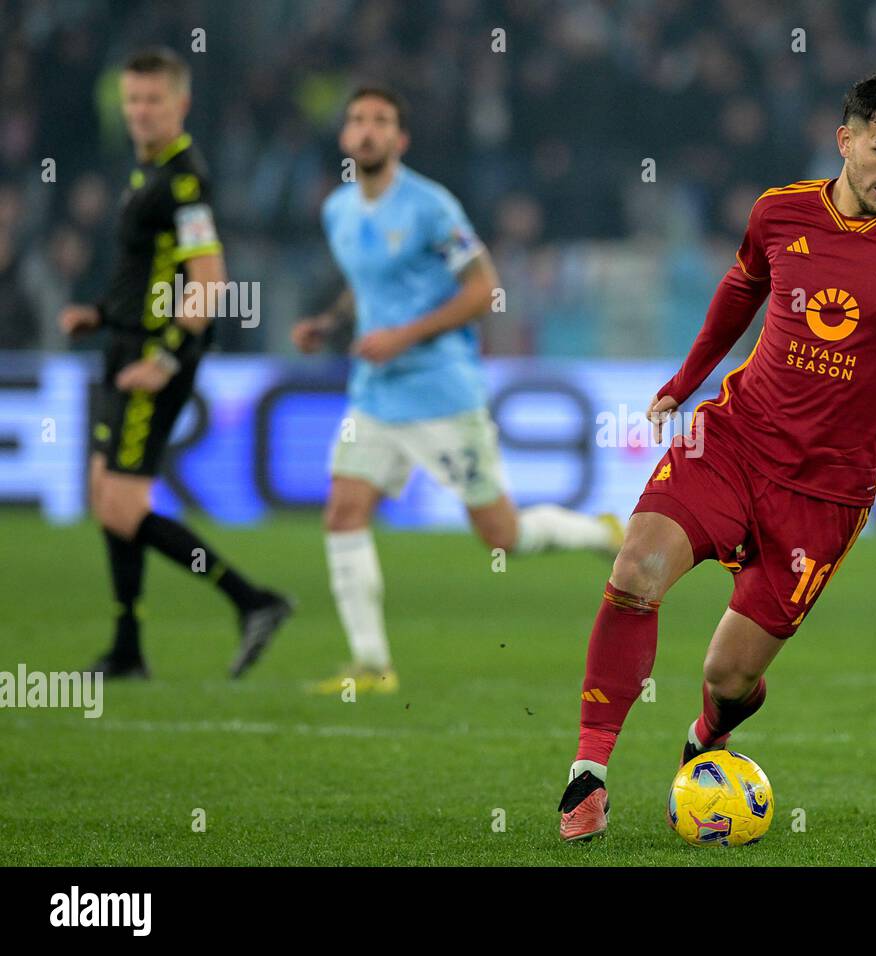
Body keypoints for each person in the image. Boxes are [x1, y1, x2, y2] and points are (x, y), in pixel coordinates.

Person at [557, 73, 876, 841]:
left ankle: (708, 735)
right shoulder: (779, 213)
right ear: (847, 140)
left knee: (729, 676)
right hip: (734, 439)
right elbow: (741, 288)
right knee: (635, 571)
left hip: (827, 493)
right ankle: (588, 773)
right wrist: (683, 385)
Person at [294, 86, 622, 695]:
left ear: (401, 139)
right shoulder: (338, 210)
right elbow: (369, 289)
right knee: (343, 509)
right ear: (345, 138)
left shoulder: (429, 206)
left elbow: (481, 289)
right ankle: (372, 665)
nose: (367, 131)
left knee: (501, 535)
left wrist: (403, 336)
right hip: (374, 393)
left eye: (381, 121)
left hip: (441, 390)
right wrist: (334, 324)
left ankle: (598, 532)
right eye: (358, 120)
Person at [60, 48, 292, 680]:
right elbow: (149, 273)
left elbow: (209, 281)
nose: (139, 111)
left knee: (122, 505)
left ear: (180, 104)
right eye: (132, 99)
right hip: (124, 344)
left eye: (152, 100)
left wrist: (164, 358)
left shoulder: (184, 180)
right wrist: (103, 314)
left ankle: (252, 600)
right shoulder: (147, 172)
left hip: (155, 356)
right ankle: (128, 646)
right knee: (103, 491)